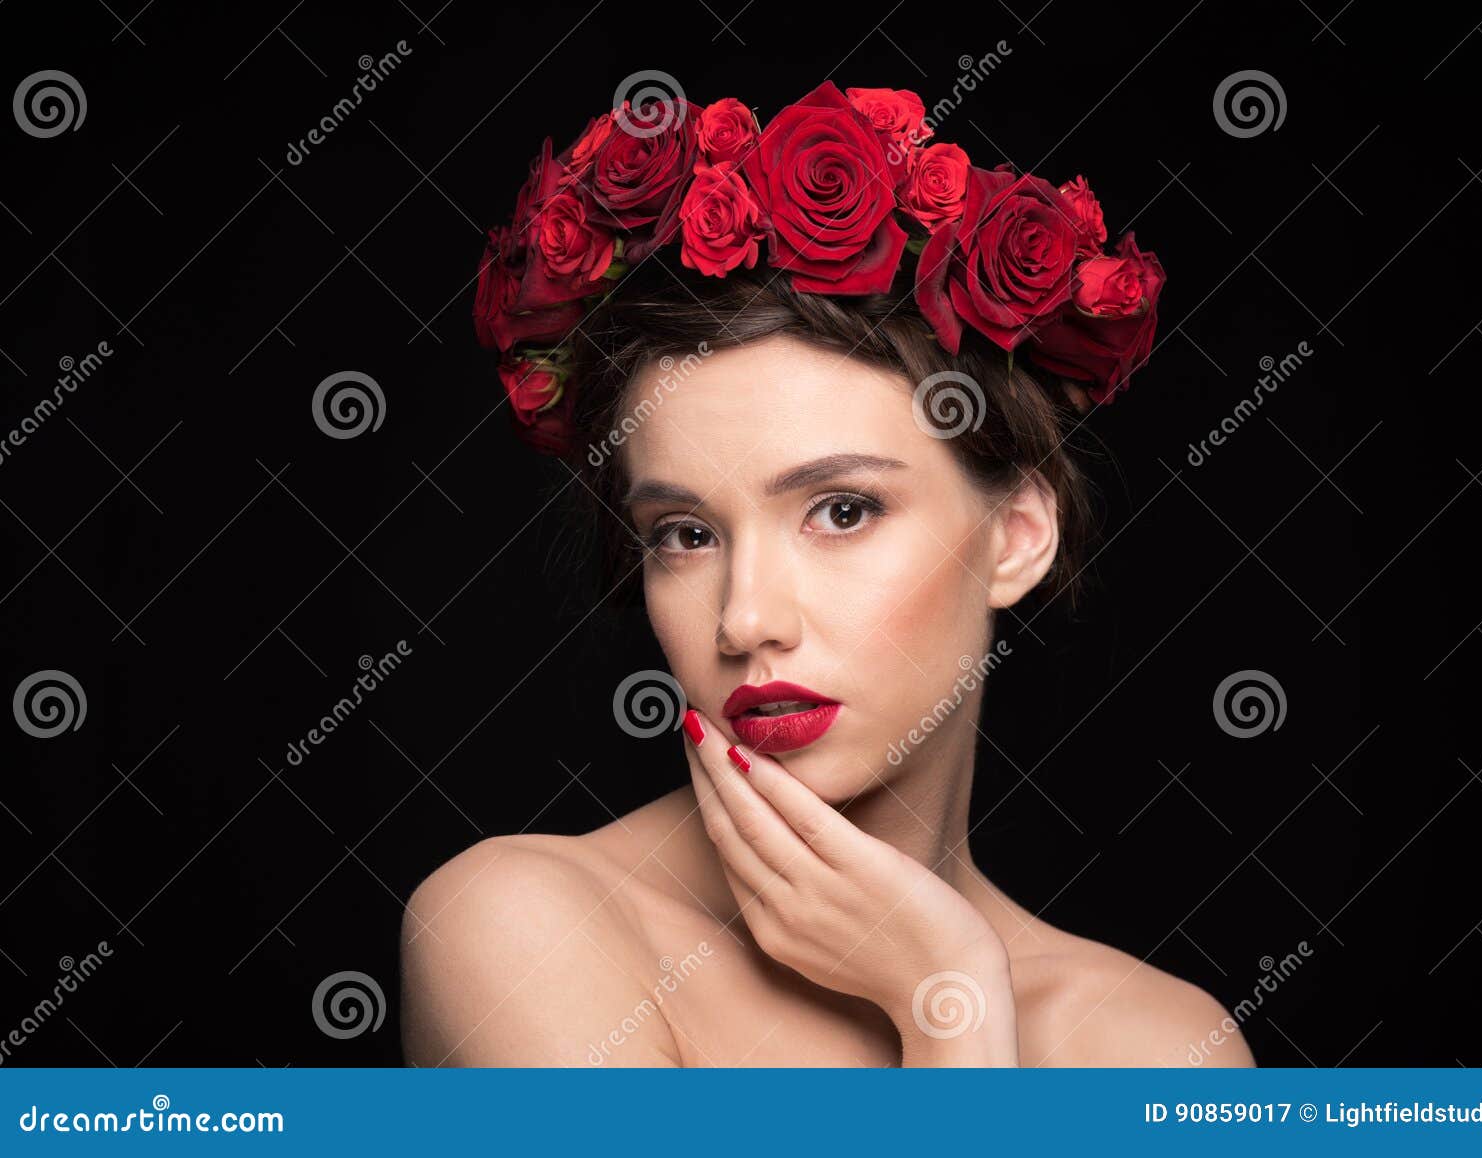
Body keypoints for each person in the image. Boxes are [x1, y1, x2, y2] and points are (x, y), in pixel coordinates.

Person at [400, 79, 1253, 1067]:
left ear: (1016, 536)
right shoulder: (522, 929)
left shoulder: (1161, 1046)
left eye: (842, 511)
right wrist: (950, 1012)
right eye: (685, 534)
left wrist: (950, 992)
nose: (745, 620)